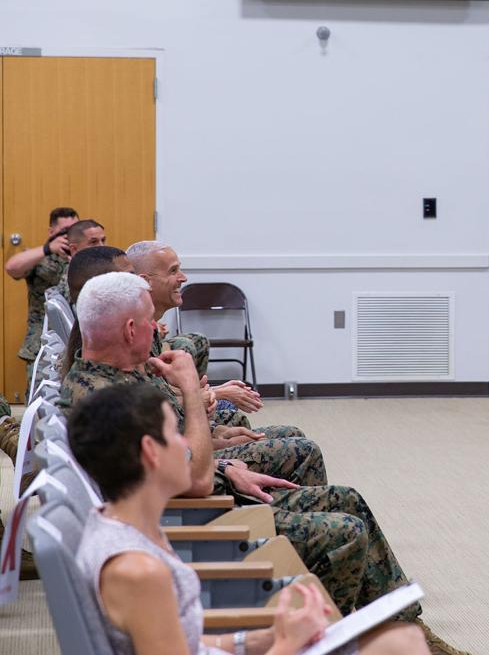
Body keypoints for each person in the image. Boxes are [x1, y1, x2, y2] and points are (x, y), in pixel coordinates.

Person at [60, 273, 421, 619]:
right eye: (149, 321)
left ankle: (402, 624)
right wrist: (190, 392)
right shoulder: (109, 402)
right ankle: (330, 638)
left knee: (349, 500)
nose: (158, 329)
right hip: (194, 522)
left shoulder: (107, 381)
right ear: (129, 330)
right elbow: (195, 482)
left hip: (196, 502)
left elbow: (177, 461)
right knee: (346, 533)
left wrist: (224, 466)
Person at [69, 382, 430, 655]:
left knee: (402, 639)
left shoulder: (127, 528)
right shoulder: (137, 571)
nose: (190, 447)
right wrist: (286, 647)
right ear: (151, 452)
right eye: (174, 435)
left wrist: (262, 638)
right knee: (401, 645)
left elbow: (187, 639)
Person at [126, 240, 262, 425]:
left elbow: (161, 390)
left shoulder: (146, 327)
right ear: (144, 281)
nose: (183, 278)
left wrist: (208, 392)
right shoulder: (135, 336)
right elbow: (156, 406)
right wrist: (215, 394)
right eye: (173, 271)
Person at [4, 206, 78, 381]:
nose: (68, 236)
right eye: (64, 231)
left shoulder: (83, 258)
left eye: (74, 230)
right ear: (51, 231)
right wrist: (47, 249)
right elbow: (12, 267)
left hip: (77, 341)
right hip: (42, 343)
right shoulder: (40, 257)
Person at [52, 218, 108, 301]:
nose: (101, 246)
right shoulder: (74, 280)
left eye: (103, 240)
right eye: (93, 242)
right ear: (74, 249)